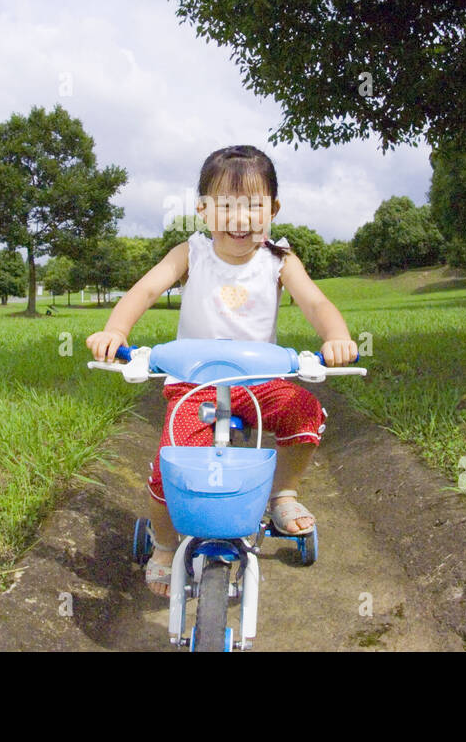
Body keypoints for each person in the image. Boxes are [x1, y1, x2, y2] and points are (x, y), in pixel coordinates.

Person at [86, 145, 358, 596]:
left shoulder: (280, 260)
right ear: (202, 210)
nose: (240, 218)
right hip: (195, 384)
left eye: (253, 205)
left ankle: (283, 494)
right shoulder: (190, 254)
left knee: (304, 411)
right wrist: (115, 330)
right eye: (225, 206)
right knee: (169, 464)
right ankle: (166, 545)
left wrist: (336, 336)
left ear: (272, 209)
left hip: (260, 382)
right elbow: (146, 289)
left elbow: (315, 301)